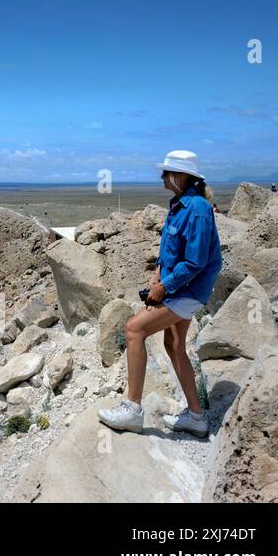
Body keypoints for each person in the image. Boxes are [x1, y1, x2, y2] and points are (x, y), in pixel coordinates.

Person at [98, 151, 222, 437]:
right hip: (178, 286)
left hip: (187, 290)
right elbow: (170, 253)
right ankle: (196, 417)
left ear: (179, 176)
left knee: (133, 330)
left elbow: (195, 261)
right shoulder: (180, 205)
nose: (162, 178)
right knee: (174, 345)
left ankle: (132, 410)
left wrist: (165, 287)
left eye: (166, 174)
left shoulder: (198, 209)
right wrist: (157, 276)